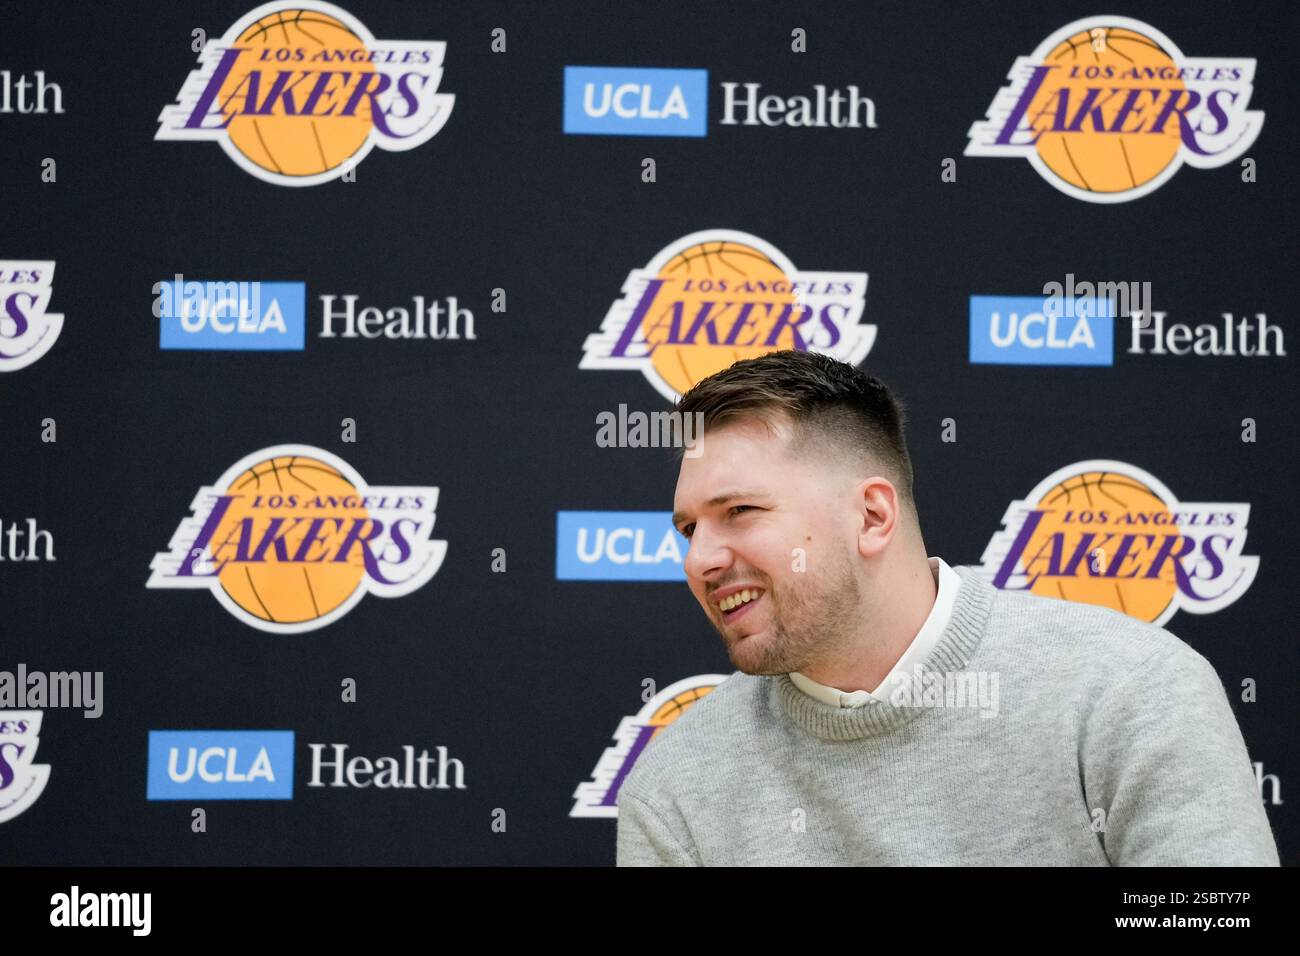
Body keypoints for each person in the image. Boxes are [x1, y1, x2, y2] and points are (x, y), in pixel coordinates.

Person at [615, 349, 1279, 866]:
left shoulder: (1128, 690)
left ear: (872, 516)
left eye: (740, 512)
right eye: (689, 529)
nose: (700, 558)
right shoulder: (677, 782)